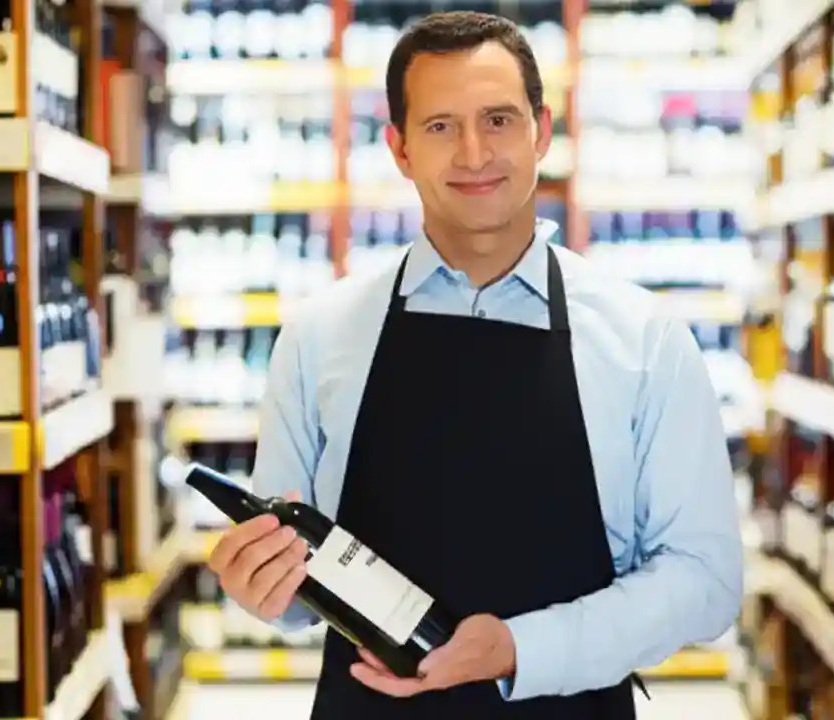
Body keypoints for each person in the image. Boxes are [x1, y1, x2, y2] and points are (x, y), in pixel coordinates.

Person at [206, 10, 743, 719]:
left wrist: (522, 648)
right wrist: (259, 584)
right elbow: (297, 590)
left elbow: (704, 581)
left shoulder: (645, 341)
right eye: (440, 127)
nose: (473, 153)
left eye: (498, 120)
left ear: (541, 131)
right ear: (399, 149)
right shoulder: (318, 338)